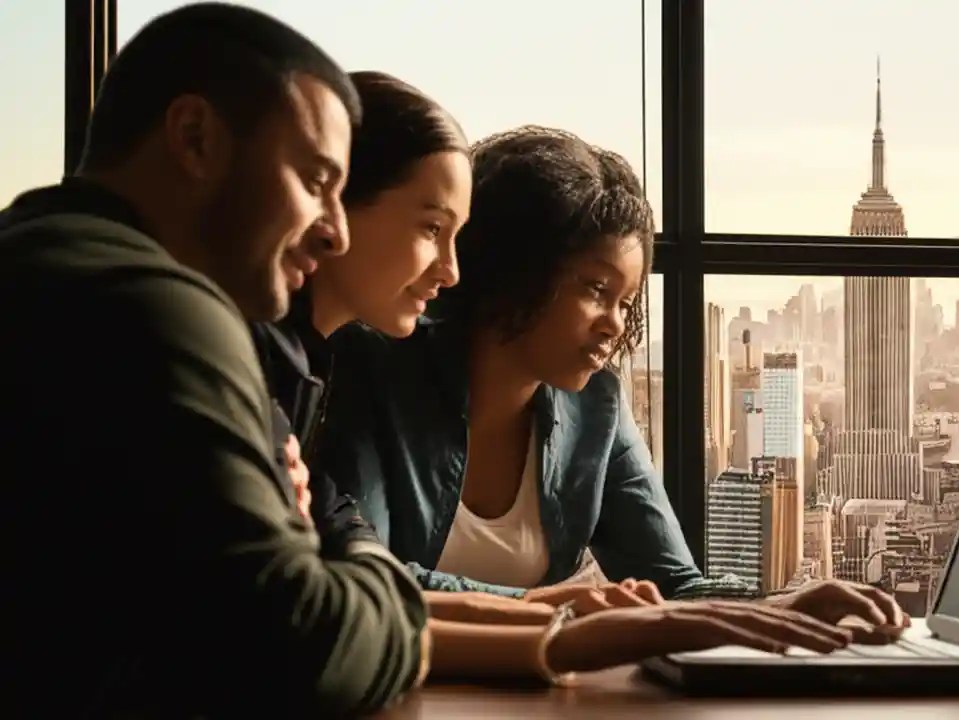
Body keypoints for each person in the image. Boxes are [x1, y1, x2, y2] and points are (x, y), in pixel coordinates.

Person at [255, 71, 870, 681]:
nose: (614, 324)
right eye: (596, 290)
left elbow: (670, 585)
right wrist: (560, 616)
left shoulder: (595, 407)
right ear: (517, 270)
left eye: (626, 302)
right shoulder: (366, 368)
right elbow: (370, 578)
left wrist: (778, 607)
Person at [0, 4, 433, 716]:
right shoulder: (155, 306)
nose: (336, 233)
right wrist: (380, 582)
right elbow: (301, 649)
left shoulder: (39, 262)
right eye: (315, 181)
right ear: (195, 137)